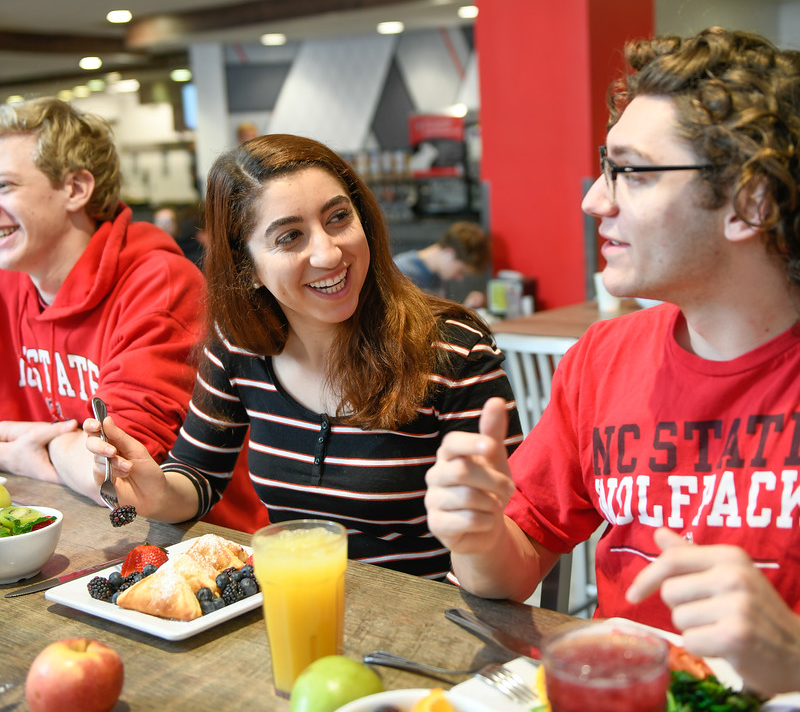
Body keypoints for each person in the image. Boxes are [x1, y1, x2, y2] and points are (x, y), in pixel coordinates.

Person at [425, 27, 800, 695]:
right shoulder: (602, 358)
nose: (594, 200)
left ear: (752, 201)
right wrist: (476, 532)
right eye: (606, 168)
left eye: (634, 172)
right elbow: (514, 566)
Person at [84, 134, 521, 578]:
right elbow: (199, 475)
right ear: (246, 268)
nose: (329, 252)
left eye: (338, 218)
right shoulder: (238, 344)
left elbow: (515, 537)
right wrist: (156, 490)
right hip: (289, 600)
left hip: (422, 625)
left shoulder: (453, 351)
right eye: (290, 236)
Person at [0, 96, 261, 528]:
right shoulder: (10, 280)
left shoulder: (158, 282)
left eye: (4, 186)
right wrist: (43, 452)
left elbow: (117, 472)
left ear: (76, 189)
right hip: (85, 532)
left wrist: (24, 450)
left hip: (205, 552)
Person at [394, 220, 490, 309]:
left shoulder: (439, 276)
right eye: (461, 271)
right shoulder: (402, 270)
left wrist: (466, 308)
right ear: (450, 253)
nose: (459, 278)